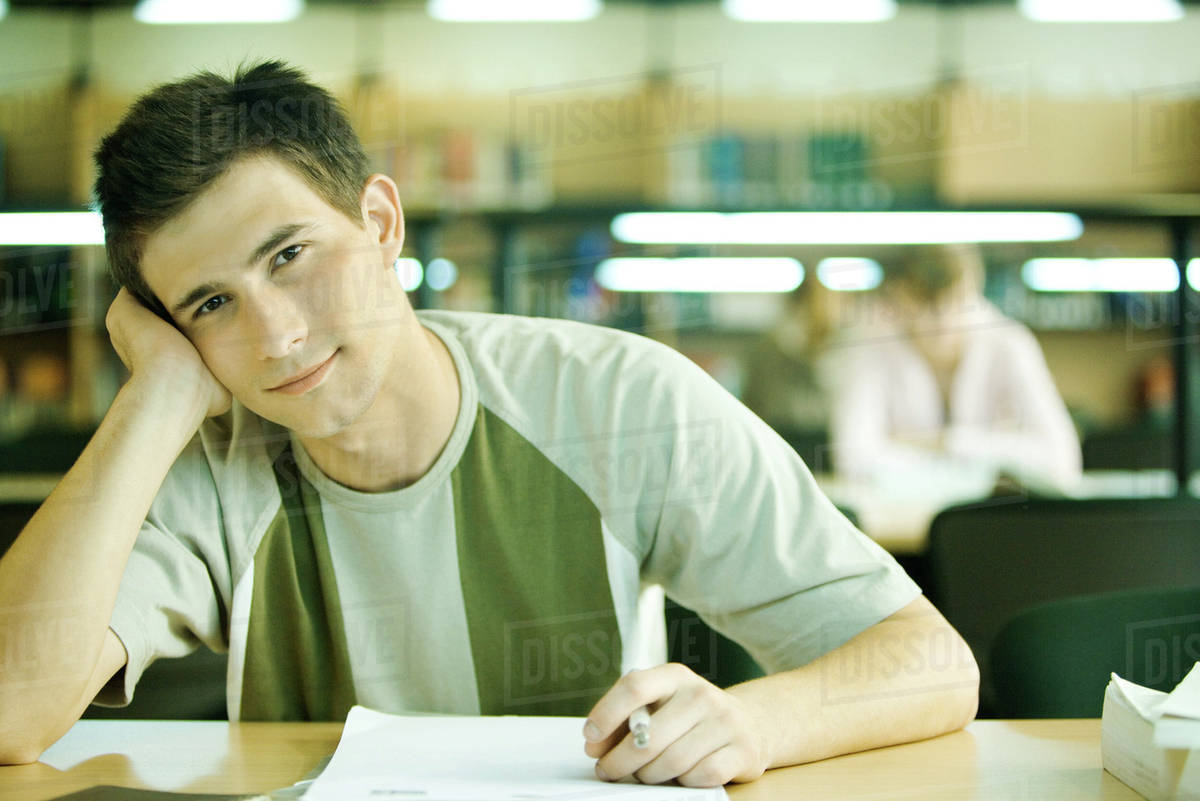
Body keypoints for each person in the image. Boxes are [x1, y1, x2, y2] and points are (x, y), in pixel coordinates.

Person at [0, 61, 978, 785]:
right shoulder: (203, 463)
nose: (277, 336)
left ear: (382, 224)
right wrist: (158, 395)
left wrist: (758, 721)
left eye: (290, 254)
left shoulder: (621, 400)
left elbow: (929, 662)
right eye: (210, 304)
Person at [829, 243, 1082, 493]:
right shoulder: (871, 347)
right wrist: (994, 457)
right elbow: (854, 461)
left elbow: (1061, 459)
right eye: (925, 305)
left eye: (957, 302)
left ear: (975, 291)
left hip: (988, 520)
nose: (942, 319)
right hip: (897, 524)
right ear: (898, 297)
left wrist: (947, 442)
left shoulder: (1010, 343)